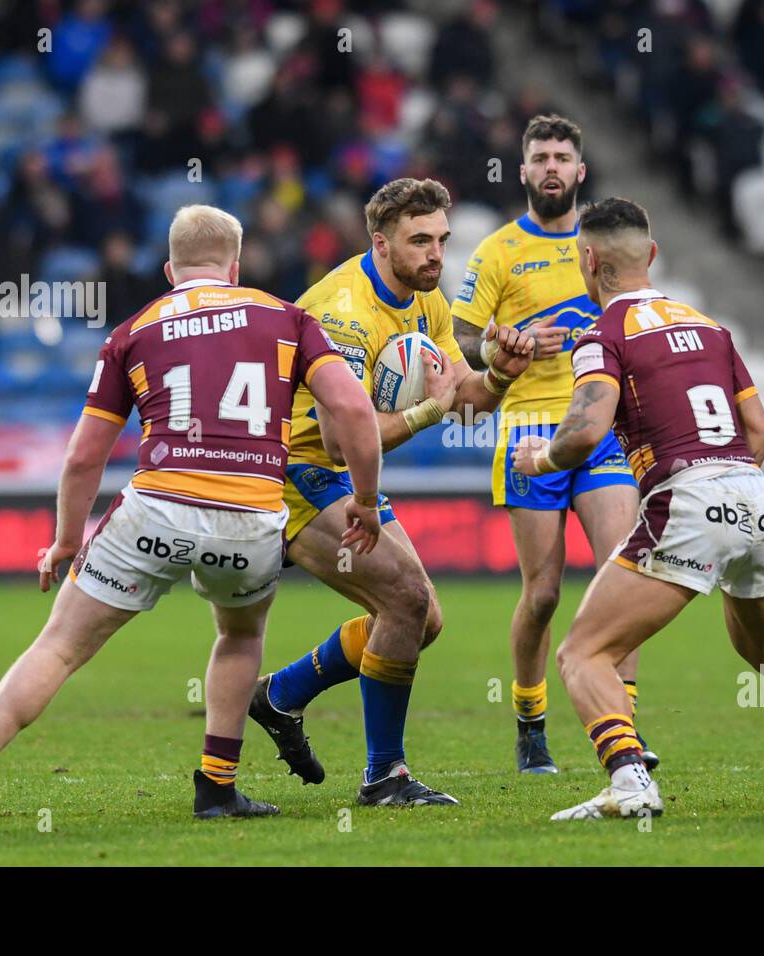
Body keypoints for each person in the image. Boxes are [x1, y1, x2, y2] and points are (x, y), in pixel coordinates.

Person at [0, 204, 382, 822]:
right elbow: (352, 412)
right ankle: (217, 789)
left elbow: (86, 455)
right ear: (237, 266)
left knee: (59, 646)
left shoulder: (134, 331)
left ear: (170, 270)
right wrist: (363, 497)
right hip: (252, 518)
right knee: (239, 635)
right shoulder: (287, 318)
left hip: (159, 510)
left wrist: (64, 540)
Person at [513, 198, 764, 820]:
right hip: (756, 495)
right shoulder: (711, 328)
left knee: (583, 652)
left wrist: (537, 459)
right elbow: (761, 429)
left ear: (588, 261)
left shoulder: (601, 335)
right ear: (653, 255)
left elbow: (584, 433)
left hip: (689, 499)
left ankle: (629, 782)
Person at [249, 178, 537, 806]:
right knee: (406, 600)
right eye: (420, 241)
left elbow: (463, 400)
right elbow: (333, 439)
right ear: (380, 243)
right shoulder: (343, 313)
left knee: (421, 617)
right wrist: (431, 410)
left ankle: (280, 696)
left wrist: (499, 374)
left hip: (338, 471)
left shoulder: (426, 300)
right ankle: (385, 775)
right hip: (292, 468)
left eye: (441, 239)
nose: (436, 254)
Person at [452, 115, 652, 775]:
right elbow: (461, 340)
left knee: (623, 575)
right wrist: (500, 347)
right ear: (523, 170)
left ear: (581, 171)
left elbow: (637, 315)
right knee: (542, 593)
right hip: (529, 428)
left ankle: (621, 728)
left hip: (601, 428)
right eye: (540, 157)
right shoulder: (498, 251)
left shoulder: (604, 245)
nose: (551, 168)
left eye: (563, 157)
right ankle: (530, 721)